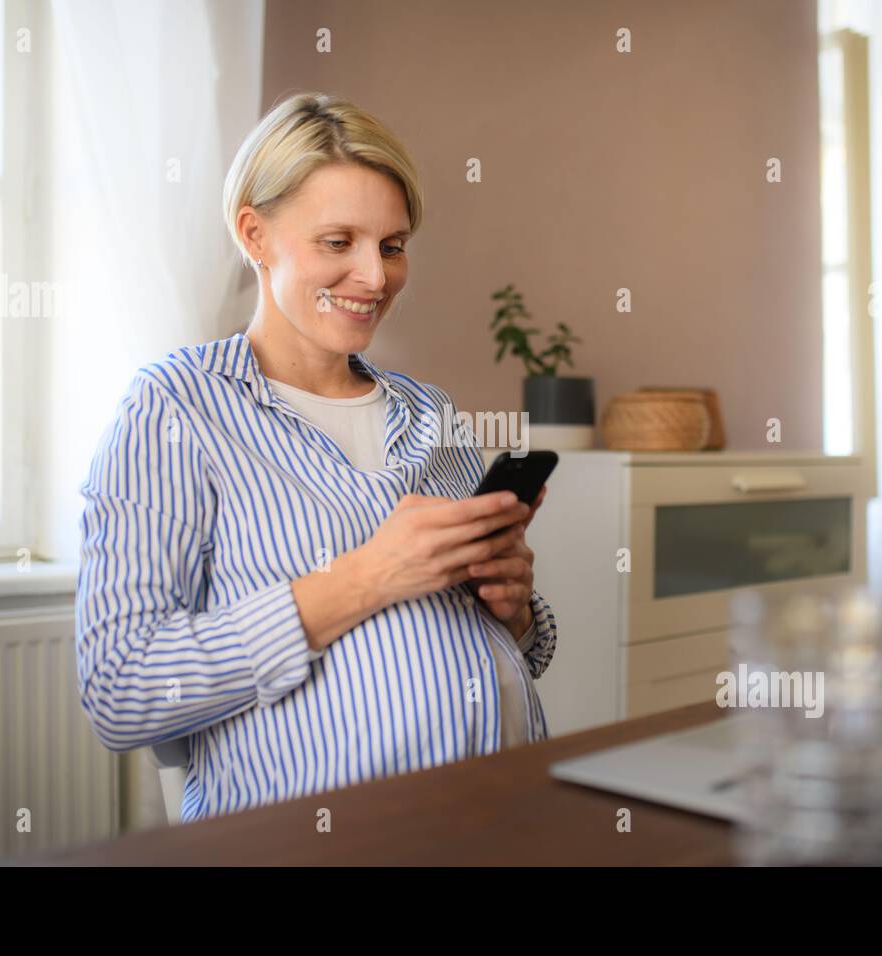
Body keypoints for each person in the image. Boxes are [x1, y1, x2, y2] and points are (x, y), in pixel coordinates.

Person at [74, 92, 557, 822]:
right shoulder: (174, 409)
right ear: (255, 234)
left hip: (499, 817)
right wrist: (365, 578)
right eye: (339, 242)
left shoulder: (431, 412)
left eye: (392, 246)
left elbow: (521, 651)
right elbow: (122, 689)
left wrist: (515, 608)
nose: (375, 277)